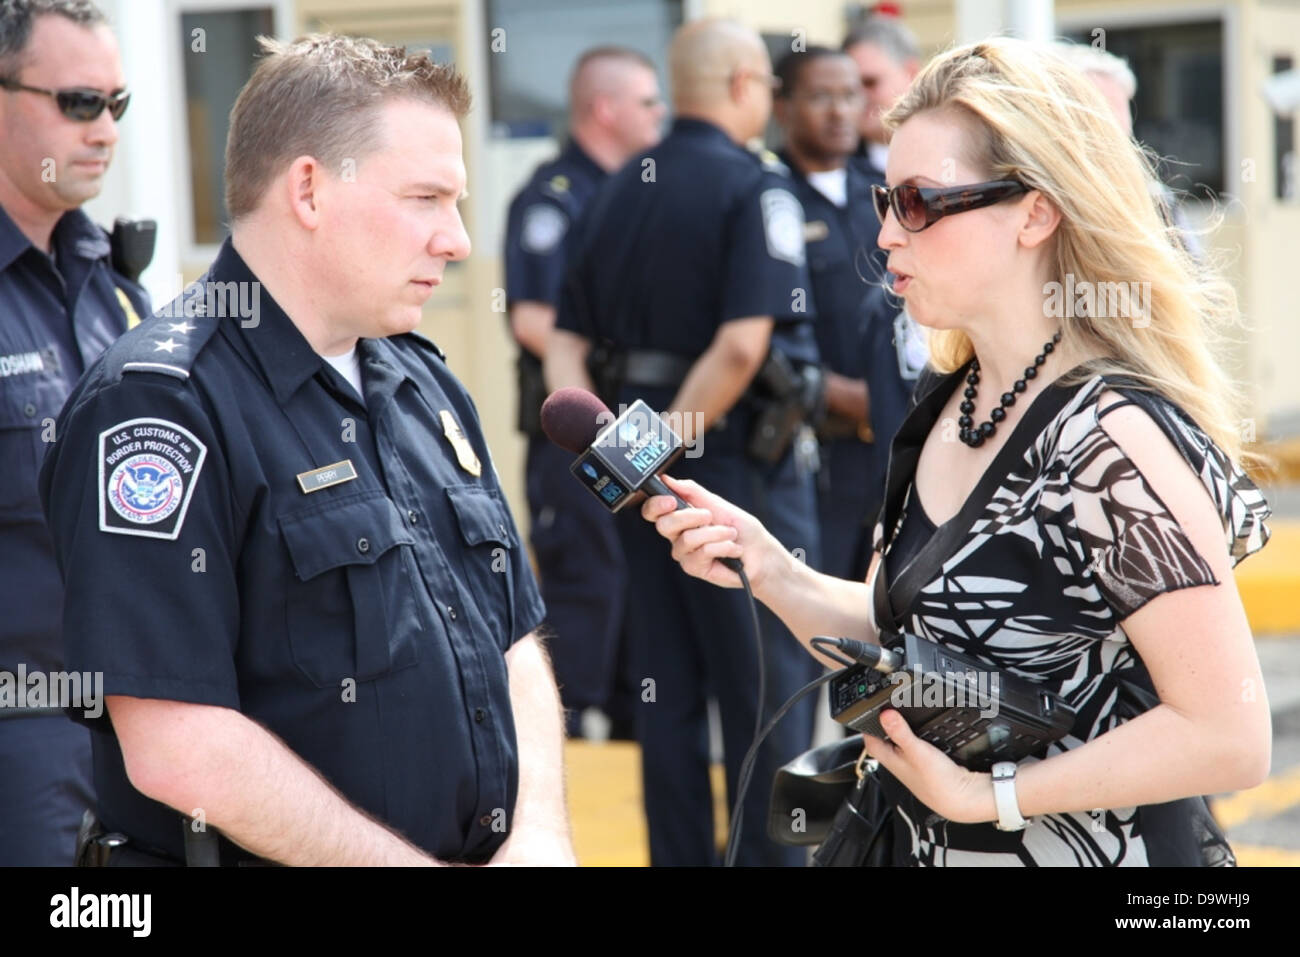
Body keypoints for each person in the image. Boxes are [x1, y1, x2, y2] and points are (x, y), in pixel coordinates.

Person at [640, 37, 1272, 866]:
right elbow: (910, 636)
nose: (887, 236)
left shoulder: (1111, 441)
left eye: (920, 202)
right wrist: (769, 568)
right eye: (883, 199)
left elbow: (1228, 734)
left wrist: (992, 797)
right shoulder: (953, 402)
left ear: (1035, 214)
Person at [39, 34, 574, 867]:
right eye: (426, 198)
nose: (457, 239)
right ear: (311, 190)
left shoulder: (421, 379)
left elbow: (514, 638)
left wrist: (540, 834)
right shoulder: (160, 405)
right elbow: (177, 741)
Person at [547, 18, 822, 867]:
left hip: (635, 485)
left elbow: (564, 348)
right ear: (746, 84)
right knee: (765, 696)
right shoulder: (756, 187)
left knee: (663, 695)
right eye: (770, 89)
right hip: (734, 473)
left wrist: (620, 459)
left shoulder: (617, 186)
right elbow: (741, 347)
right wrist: (664, 451)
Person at [0, 0, 147, 866]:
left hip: (134, 732)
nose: (106, 131)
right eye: (79, 103)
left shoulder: (117, 286)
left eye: (117, 106)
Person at [504, 46, 664, 739]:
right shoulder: (551, 198)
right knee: (584, 587)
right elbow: (533, 318)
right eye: (649, 102)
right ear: (606, 109)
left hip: (639, 424)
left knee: (645, 593)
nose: (661, 116)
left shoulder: (645, 190)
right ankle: (559, 742)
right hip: (581, 428)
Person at [772, 46, 916, 582]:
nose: (839, 111)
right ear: (782, 107)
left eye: (850, 95)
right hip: (819, 446)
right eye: (820, 96)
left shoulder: (881, 194)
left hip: (894, 445)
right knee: (825, 606)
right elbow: (759, 331)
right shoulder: (768, 195)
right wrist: (854, 396)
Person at [842, 15, 920, 180]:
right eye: (849, 89)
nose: (859, 96)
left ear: (911, 73)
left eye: (870, 82)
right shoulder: (835, 165)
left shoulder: (948, 148)